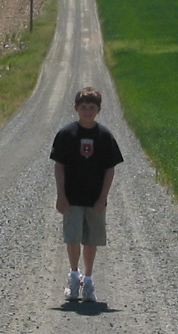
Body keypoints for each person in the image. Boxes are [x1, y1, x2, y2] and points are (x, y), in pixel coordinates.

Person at [50, 86, 124, 303]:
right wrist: (60, 195)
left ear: (98, 109)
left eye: (92, 107)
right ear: (76, 108)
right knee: (72, 237)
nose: (87, 111)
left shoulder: (104, 136)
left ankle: (88, 279)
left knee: (91, 239)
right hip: (72, 197)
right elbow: (59, 166)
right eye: (84, 107)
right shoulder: (66, 134)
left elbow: (110, 168)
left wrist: (103, 197)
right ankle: (74, 276)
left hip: (95, 198)